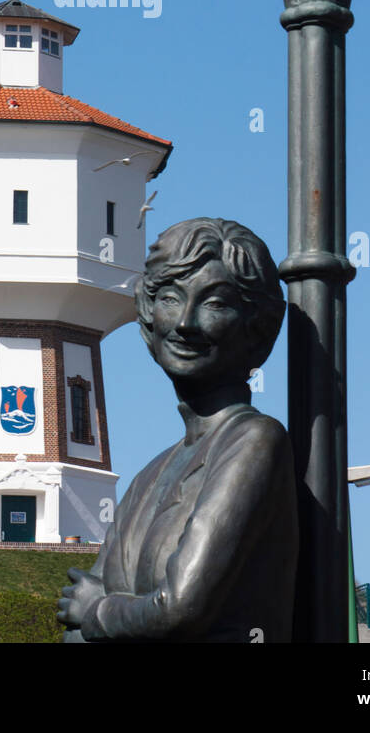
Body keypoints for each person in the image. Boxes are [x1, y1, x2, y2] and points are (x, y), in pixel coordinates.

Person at [58, 217, 297, 643]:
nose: (185, 323)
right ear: (149, 312)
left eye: (216, 304)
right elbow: (75, 629)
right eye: (170, 298)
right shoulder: (148, 477)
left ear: (258, 326)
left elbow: (180, 608)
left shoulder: (253, 441)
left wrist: (100, 611)